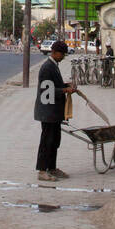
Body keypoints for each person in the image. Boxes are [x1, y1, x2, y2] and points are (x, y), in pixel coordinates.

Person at [33, 40, 77, 181]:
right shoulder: (47, 68)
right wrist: (65, 89)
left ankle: (52, 167)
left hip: (54, 112)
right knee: (47, 141)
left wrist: (65, 85)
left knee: (54, 141)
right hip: (47, 112)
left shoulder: (54, 65)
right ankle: (42, 170)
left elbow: (54, 85)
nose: (63, 57)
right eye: (62, 54)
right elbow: (47, 90)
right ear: (55, 53)